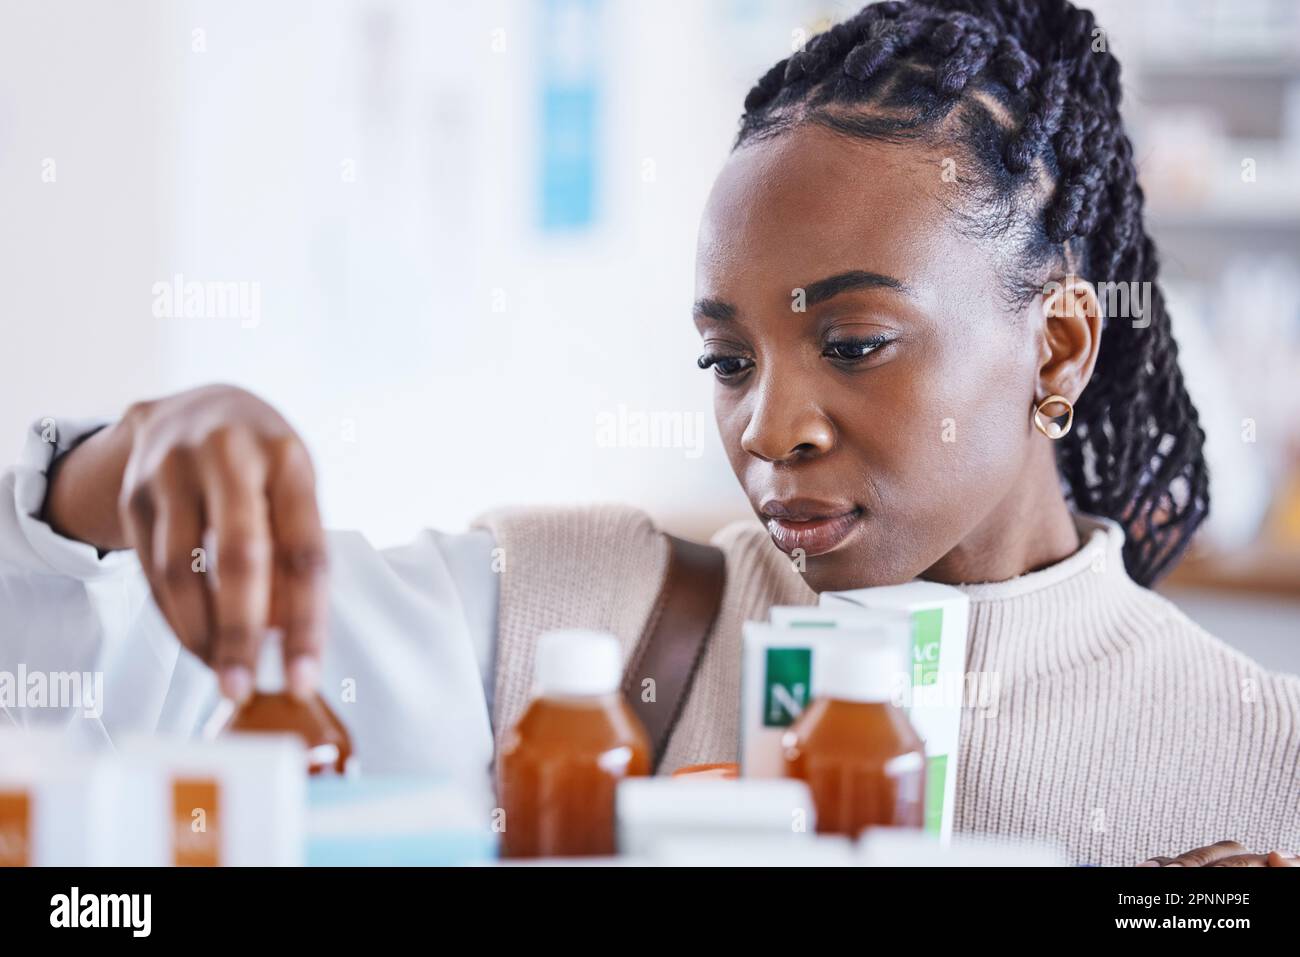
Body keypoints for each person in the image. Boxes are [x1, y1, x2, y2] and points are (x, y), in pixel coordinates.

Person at [1, 0, 1296, 867]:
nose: (766, 424)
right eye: (727, 358)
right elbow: (122, 689)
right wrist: (123, 467)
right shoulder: (576, 617)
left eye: (853, 344)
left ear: (1059, 346)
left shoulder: (1260, 761)